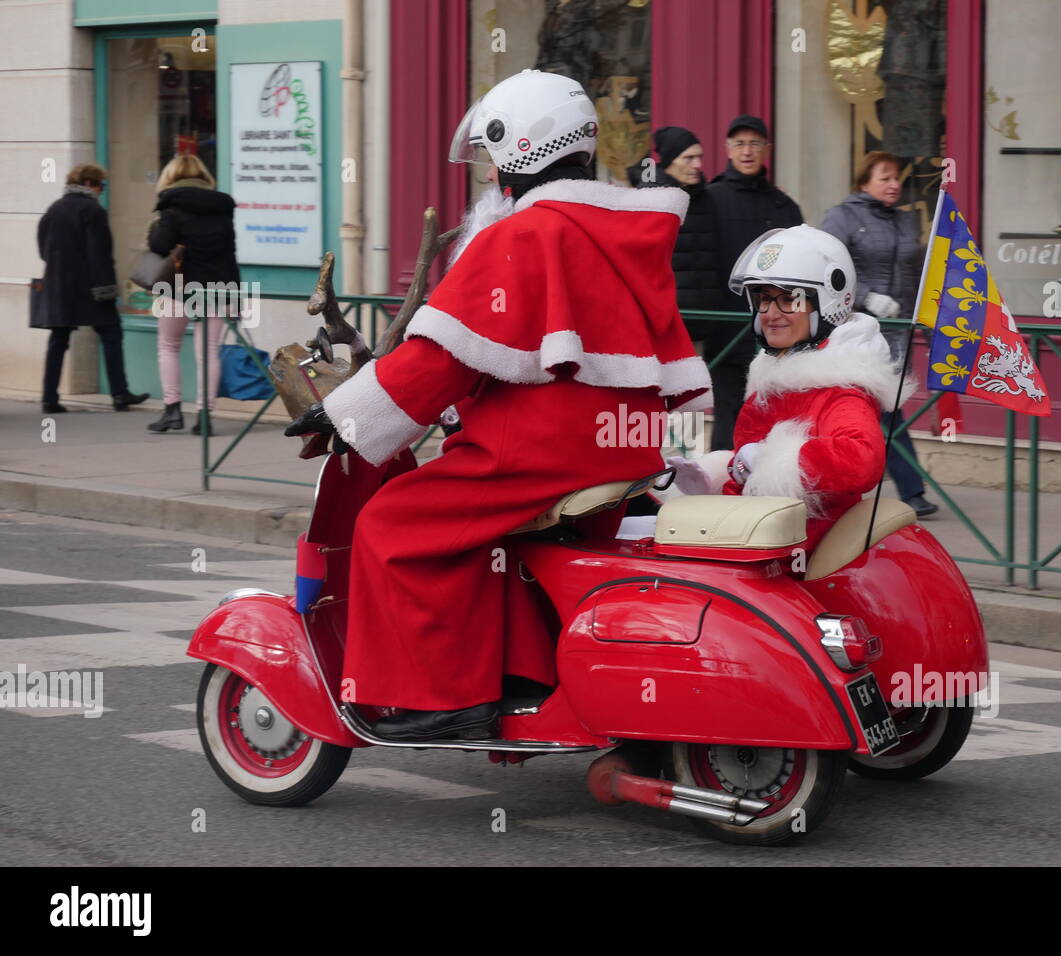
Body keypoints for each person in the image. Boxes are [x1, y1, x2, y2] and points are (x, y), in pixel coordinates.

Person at [285, 69, 711, 742]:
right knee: (493, 541)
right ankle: (519, 675)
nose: (487, 177)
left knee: (392, 524)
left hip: (542, 449)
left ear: (518, 149)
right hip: (624, 444)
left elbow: (441, 360)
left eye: (491, 158)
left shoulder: (523, 233)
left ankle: (438, 696)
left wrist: (345, 418)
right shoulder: (617, 228)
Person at [668, 225, 909, 551]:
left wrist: (771, 462)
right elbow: (751, 455)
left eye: (789, 300)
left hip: (793, 547)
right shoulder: (781, 374)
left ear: (826, 303)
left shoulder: (841, 388)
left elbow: (862, 460)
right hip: (756, 532)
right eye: (763, 300)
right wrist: (714, 472)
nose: (770, 314)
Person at [820, 150, 938, 517]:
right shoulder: (842, 216)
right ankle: (910, 489)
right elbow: (825, 267)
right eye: (884, 177)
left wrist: (927, 323)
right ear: (864, 181)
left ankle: (868, 482)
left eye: (897, 178)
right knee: (877, 409)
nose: (894, 184)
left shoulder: (905, 222)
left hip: (897, 332)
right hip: (853, 329)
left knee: (885, 407)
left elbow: (916, 273)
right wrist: (866, 296)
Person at [704, 115, 803, 451]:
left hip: (778, 333)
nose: (747, 151)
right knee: (729, 415)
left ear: (767, 150)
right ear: (728, 150)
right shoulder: (709, 199)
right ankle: (719, 488)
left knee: (776, 415)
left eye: (755, 144)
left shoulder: (783, 205)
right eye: (739, 144)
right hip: (728, 332)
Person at [35, 164, 148, 414]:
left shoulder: (53, 209)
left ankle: (49, 398)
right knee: (111, 334)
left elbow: (43, 249)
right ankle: (119, 393)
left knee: (58, 339)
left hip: (58, 286)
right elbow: (100, 255)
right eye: (101, 186)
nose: (102, 191)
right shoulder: (93, 210)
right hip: (90, 287)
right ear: (88, 183)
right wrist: (108, 289)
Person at [144, 154, 240, 435]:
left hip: (178, 286)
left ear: (170, 177)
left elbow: (160, 246)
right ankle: (205, 417)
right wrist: (234, 297)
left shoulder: (171, 206)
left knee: (168, 346)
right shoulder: (222, 206)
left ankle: (172, 410)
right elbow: (230, 253)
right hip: (218, 287)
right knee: (208, 353)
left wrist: (160, 229)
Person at [635, 126, 723, 339]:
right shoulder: (650, 199)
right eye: (689, 158)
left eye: (699, 157)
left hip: (707, 320)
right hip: (666, 321)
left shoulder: (705, 197)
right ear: (670, 160)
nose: (698, 165)